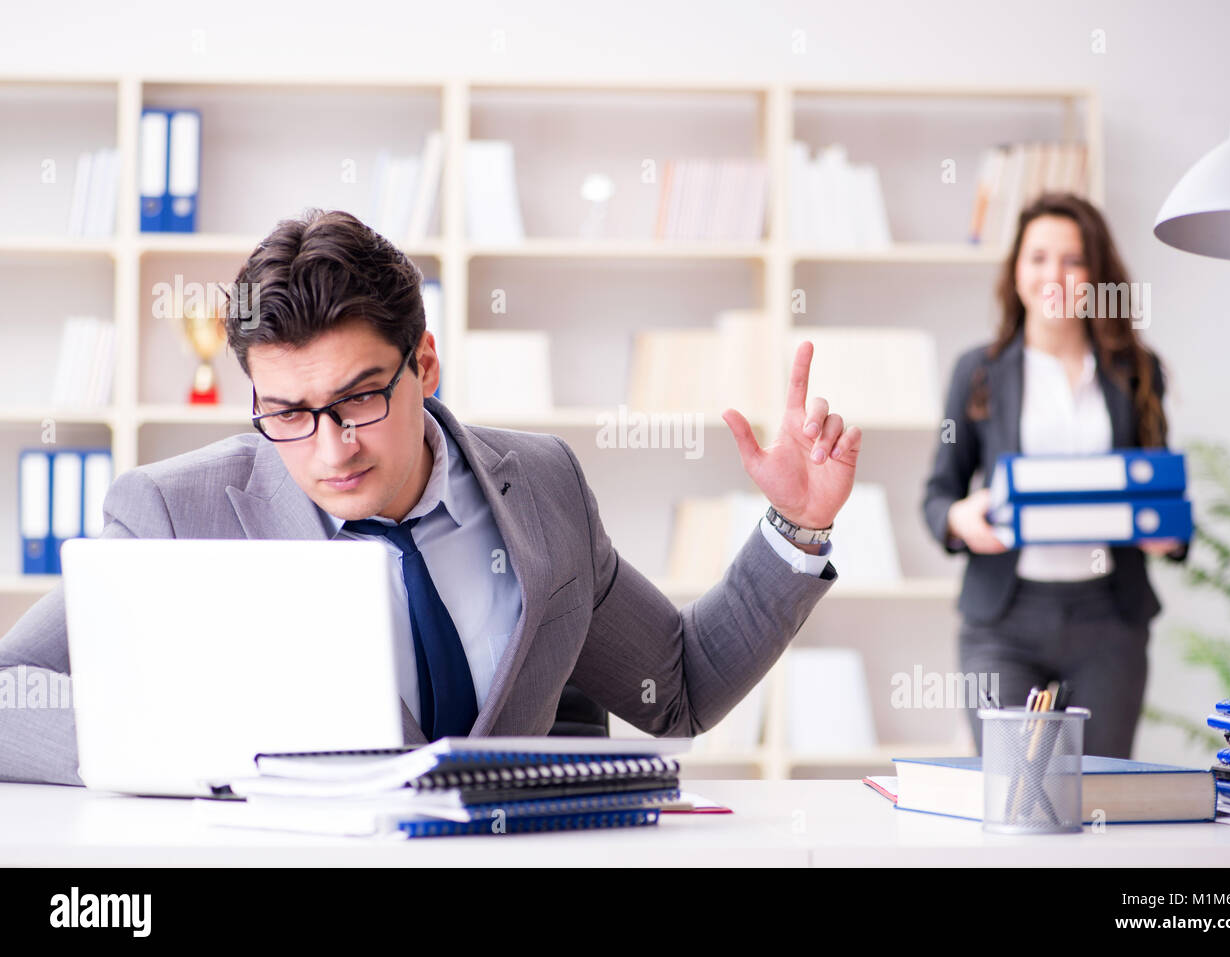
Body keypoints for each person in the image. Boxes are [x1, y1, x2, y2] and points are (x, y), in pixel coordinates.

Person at [0, 208, 863, 787]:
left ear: (426, 364)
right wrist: (206, 746)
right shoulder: (171, 515)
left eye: (361, 398)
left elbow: (674, 689)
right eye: (288, 414)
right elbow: (10, 698)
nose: (331, 447)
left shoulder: (545, 487)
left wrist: (798, 524)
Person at [922, 192, 1188, 759]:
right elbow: (938, 494)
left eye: (1073, 260)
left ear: (1097, 272)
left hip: (1108, 621)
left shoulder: (1139, 371)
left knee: (1100, 799)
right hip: (1004, 621)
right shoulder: (979, 372)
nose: (1055, 275)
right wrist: (959, 518)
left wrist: (1170, 536)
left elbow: (1164, 492)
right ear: (1016, 270)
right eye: (1038, 257)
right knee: (1020, 798)